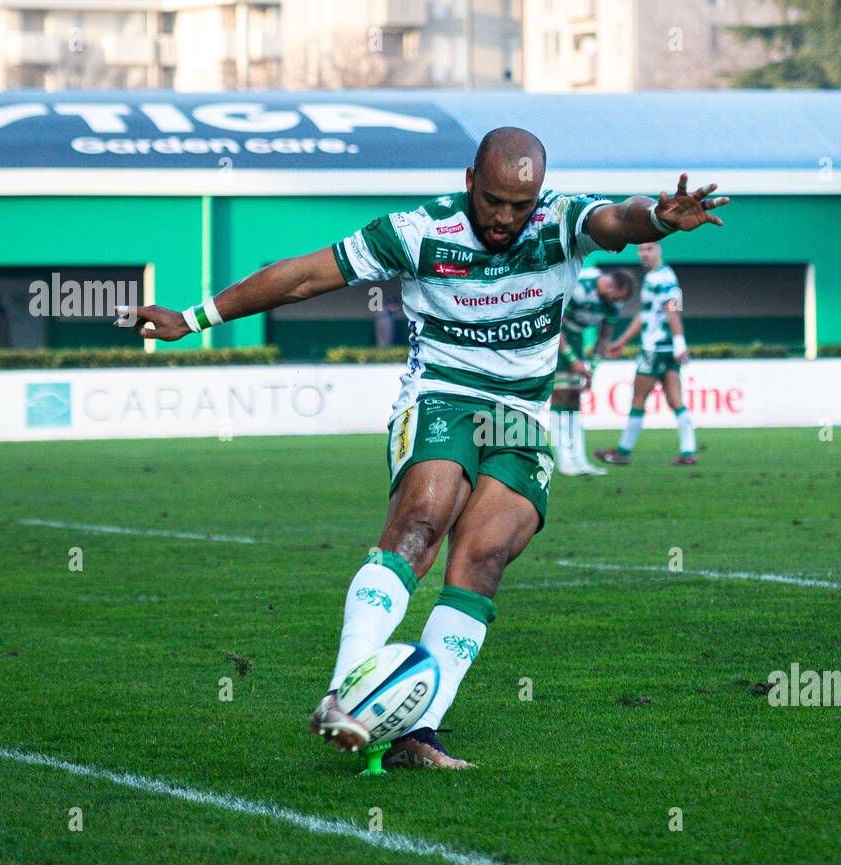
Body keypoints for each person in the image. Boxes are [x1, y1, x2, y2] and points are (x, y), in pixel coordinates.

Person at [117, 129, 728, 768]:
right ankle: (343, 692)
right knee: (421, 525)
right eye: (494, 200)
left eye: (521, 205)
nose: (505, 218)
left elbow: (617, 220)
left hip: (521, 412)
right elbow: (302, 277)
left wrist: (656, 216)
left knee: (485, 559)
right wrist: (193, 318)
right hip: (442, 395)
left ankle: (417, 732)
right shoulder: (416, 230)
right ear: (471, 181)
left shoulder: (562, 221)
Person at [597, 242, 697, 466]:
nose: (644, 254)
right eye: (641, 250)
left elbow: (672, 309)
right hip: (668, 347)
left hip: (655, 348)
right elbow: (647, 315)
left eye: (649, 249)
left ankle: (622, 452)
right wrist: (622, 341)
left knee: (638, 398)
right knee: (675, 399)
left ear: (660, 249)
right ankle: (688, 452)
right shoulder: (662, 276)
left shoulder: (660, 278)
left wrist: (680, 341)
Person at [552, 267, 634, 476]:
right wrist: (572, 360)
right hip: (555, 339)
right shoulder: (580, 288)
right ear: (609, 286)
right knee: (561, 395)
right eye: (617, 297)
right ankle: (563, 459)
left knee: (575, 397)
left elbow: (604, 339)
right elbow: (555, 324)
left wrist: (591, 370)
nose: (617, 303)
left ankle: (579, 459)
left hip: (576, 340)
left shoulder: (612, 305)